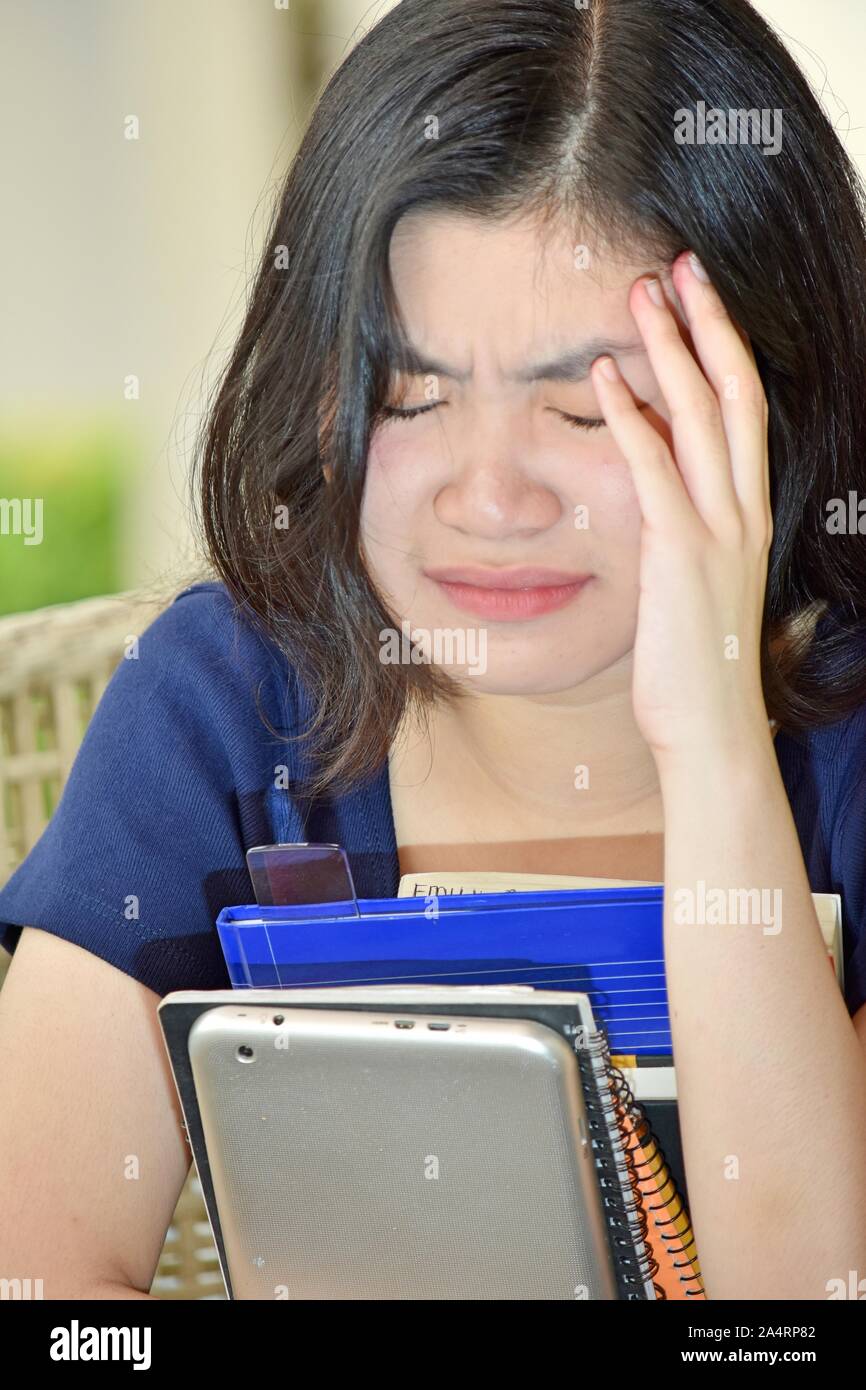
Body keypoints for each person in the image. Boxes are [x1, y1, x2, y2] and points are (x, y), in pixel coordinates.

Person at [2, 0, 866, 1300]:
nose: (488, 496)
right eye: (409, 396)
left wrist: (714, 751)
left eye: (589, 407)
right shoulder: (227, 706)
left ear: (769, 397)